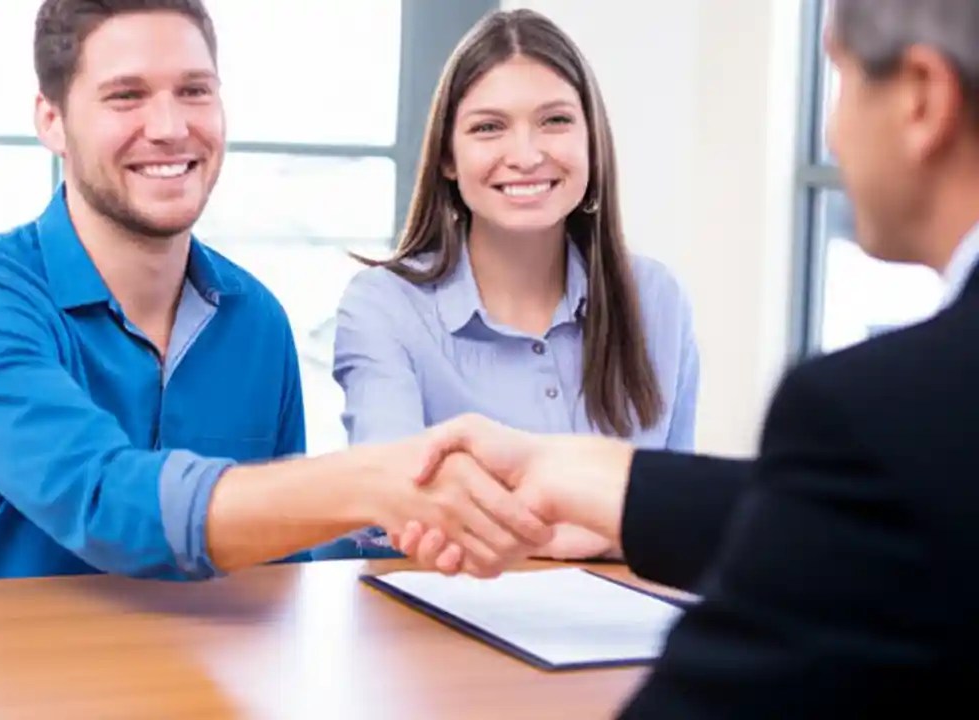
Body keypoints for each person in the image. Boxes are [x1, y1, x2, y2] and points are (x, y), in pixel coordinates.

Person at [399, 0, 979, 714]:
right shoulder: (905, 433)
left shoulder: (871, 413)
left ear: (922, 97)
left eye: (842, 80)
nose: (830, 129)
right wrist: (610, 485)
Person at [0, 0, 552, 584]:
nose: (170, 127)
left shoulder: (254, 319)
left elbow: (276, 577)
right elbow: (105, 503)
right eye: (126, 96)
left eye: (194, 91)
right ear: (53, 121)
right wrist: (378, 482)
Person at [326, 8, 698, 560]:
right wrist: (615, 528)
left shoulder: (654, 298)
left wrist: (641, 525)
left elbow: (679, 515)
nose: (525, 156)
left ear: (592, 140)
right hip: (435, 634)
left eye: (554, 121)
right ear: (448, 157)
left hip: (617, 637)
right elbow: (397, 507)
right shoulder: (384, 306)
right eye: (488, 127)